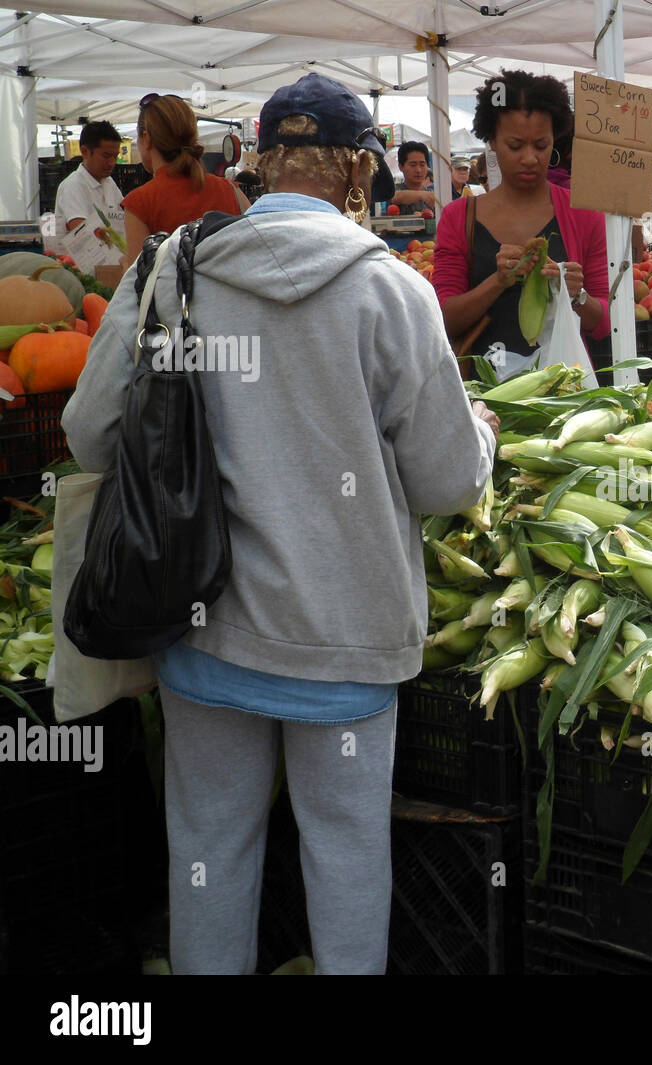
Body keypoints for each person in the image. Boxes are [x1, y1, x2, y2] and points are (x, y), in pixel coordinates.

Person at [62, 72, 499, 975]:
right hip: (348, 639)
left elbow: (87, 434)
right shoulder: (392, 294)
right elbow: (452, 480)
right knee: (345, 855)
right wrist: (480, 434)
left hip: (202, 626)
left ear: (260, 163)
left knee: (211, 850)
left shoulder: (167, 268)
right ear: (357, 174)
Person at [433, 69, 610, 374]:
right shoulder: (458, 217)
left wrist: (577, 295)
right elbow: (443, 319)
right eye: (515, 146)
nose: (529, 158)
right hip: (482, 399)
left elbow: (604, 324)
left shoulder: (584, 216)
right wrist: (497, 282)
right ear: (492, 141)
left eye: (541, 145)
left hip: (563, 393)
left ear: (555, 140)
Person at [122, 94, 249, 264]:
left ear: (147, 139)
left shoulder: (140, 203)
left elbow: (136, 284)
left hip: (174, 291)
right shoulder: (232, 191)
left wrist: (124, 265)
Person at [53, 121, 125, 258]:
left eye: (115, 156)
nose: (112, 162)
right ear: (85, 151)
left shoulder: (109, 183)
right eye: (106, 156)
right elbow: (81, 233)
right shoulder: (73, 185)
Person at [392, 141, 438, 215]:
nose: (418, 170)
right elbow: (396, 197)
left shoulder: (432, 195)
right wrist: (422, 195)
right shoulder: (394, 190)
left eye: (422, 165)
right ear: (401, 167)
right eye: (413, 165)